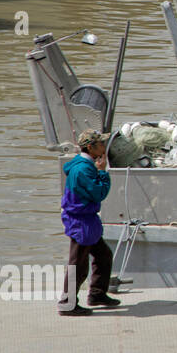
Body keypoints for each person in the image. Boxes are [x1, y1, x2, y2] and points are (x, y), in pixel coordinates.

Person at [58, 130, 121, 316]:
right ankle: (67, 303)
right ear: (90, 147)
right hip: (81, 221)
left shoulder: (84, 164)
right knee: (78, 264)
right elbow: (99, 193)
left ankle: (97, 294)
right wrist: (102, 173)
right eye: (101, 144)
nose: (104, 147)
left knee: (103, 256)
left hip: (87, 220)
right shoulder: (83, 170)